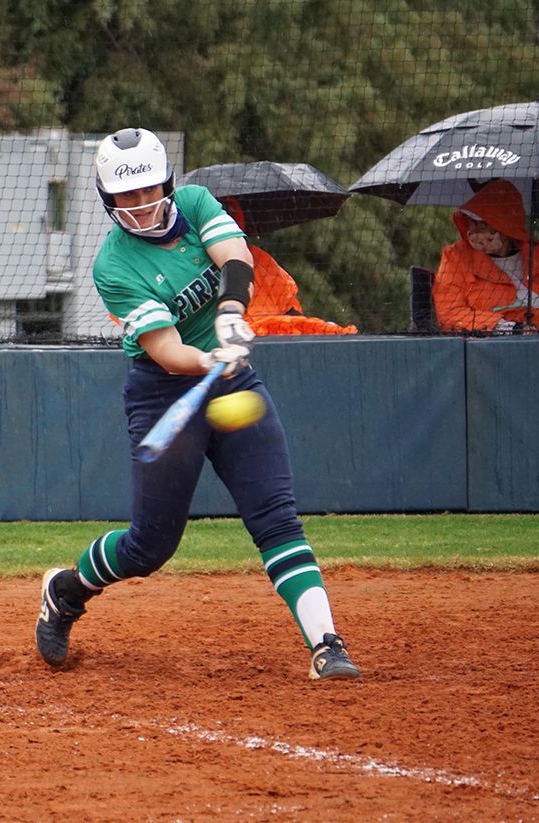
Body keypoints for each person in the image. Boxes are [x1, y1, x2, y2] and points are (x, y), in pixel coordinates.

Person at [34, 128, 360, 680]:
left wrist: (231, 314)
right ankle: (65, 590)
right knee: (149, 548)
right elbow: (166, 351)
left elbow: (234, 254)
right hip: (164, 391)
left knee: (276, 518)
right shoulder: (113, 268)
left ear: (166, 183)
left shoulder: (194, 201)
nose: (140, 207)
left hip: (234, 383)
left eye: (148, 192)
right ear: (108, 201)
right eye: (125, 199)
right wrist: (212, 360)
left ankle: (326, 644)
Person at [218, 197, 358, 337]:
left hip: (275, 338)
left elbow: (291, 312)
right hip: (234, 337)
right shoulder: (200, 266)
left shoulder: (260, 259)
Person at [433, 179, 539, 334]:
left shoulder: (534, 254)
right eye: (471, 224)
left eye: (482, 224)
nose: (474, 233)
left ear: (505, 225)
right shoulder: (456, 257)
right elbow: (449, 313)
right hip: (486, 345)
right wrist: (507, 327)